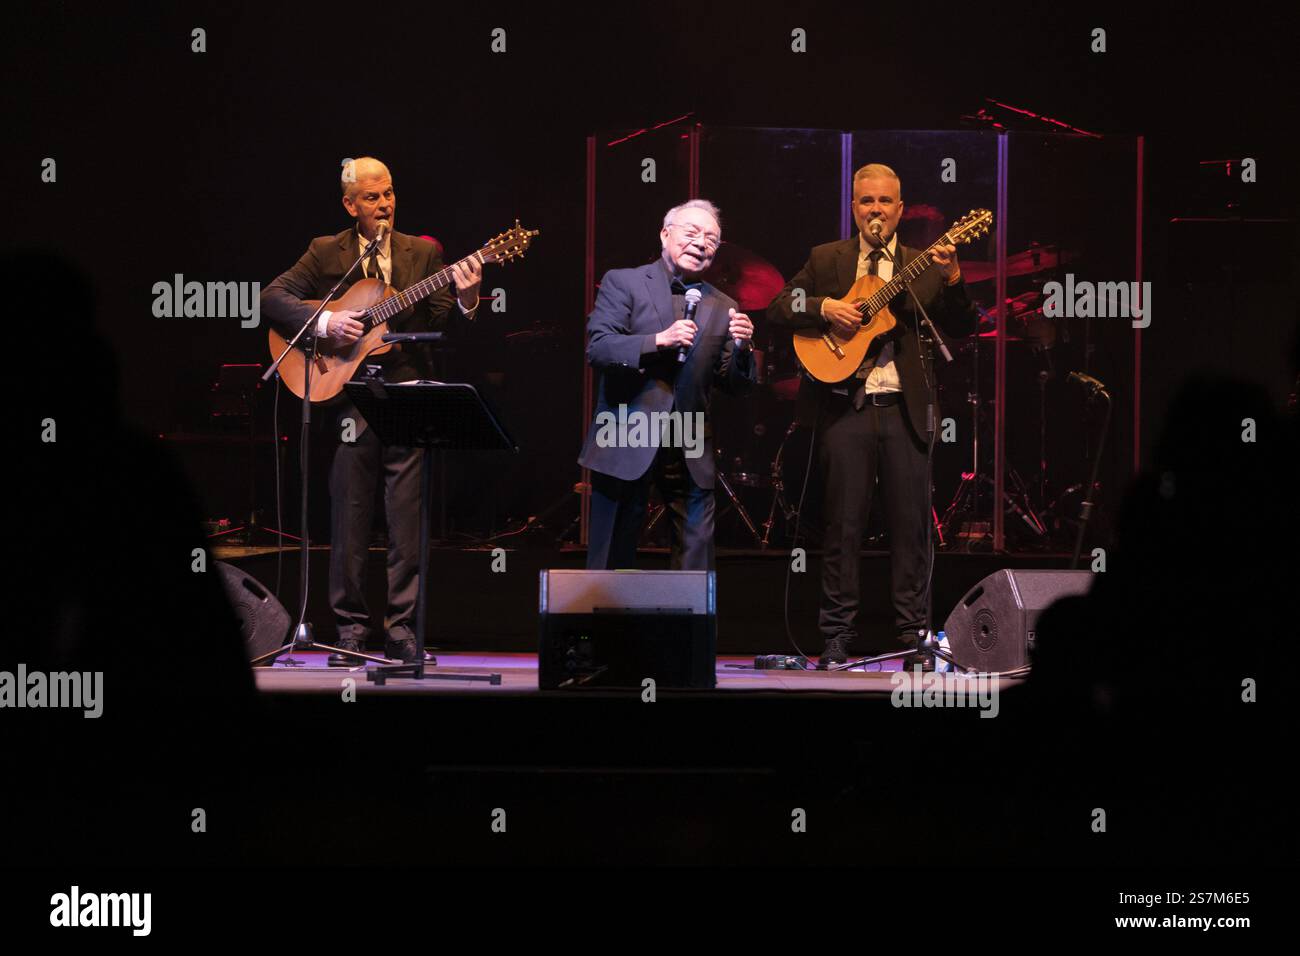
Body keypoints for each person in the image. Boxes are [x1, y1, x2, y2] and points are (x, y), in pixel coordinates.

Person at [261, 157, 481, 664]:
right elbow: (273, 297)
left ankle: (402, 630)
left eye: (389, 194)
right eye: (372, 198)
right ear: (350, 204)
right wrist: (328, 323)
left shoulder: (424, 254)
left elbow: (445, 326)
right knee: (350, 519)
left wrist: (468, 300)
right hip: (345, 396)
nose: (384, 205)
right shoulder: (325, 251)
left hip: (405, 394)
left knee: (406, 521)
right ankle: (350, 632)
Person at [766, 164, 976, 668]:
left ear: (900, 210)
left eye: (885, 202)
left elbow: (964, 326)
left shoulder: (921, 264)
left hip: (906, 409)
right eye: (866, 201)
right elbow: (779, 304)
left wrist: (952, 277)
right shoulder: (827, 259)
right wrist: (824, 307)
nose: (876, 210)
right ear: (854, 207)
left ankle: (915, 636)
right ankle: (836, 636)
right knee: (843, 527)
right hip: (845, 409)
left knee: (912, 530)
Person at [579, 199, 756, 570]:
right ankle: (607, 625)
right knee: (613, 552)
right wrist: (658, 340)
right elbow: (599, 348)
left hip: (690, 436)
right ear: (665, 234)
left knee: (696, 559)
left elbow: (735, 385)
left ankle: (686, 627)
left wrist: (742, 349)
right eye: (691, 232)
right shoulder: (624, 281)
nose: (701, 242)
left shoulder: (725, 304)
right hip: (628, 427)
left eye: (711, 238)